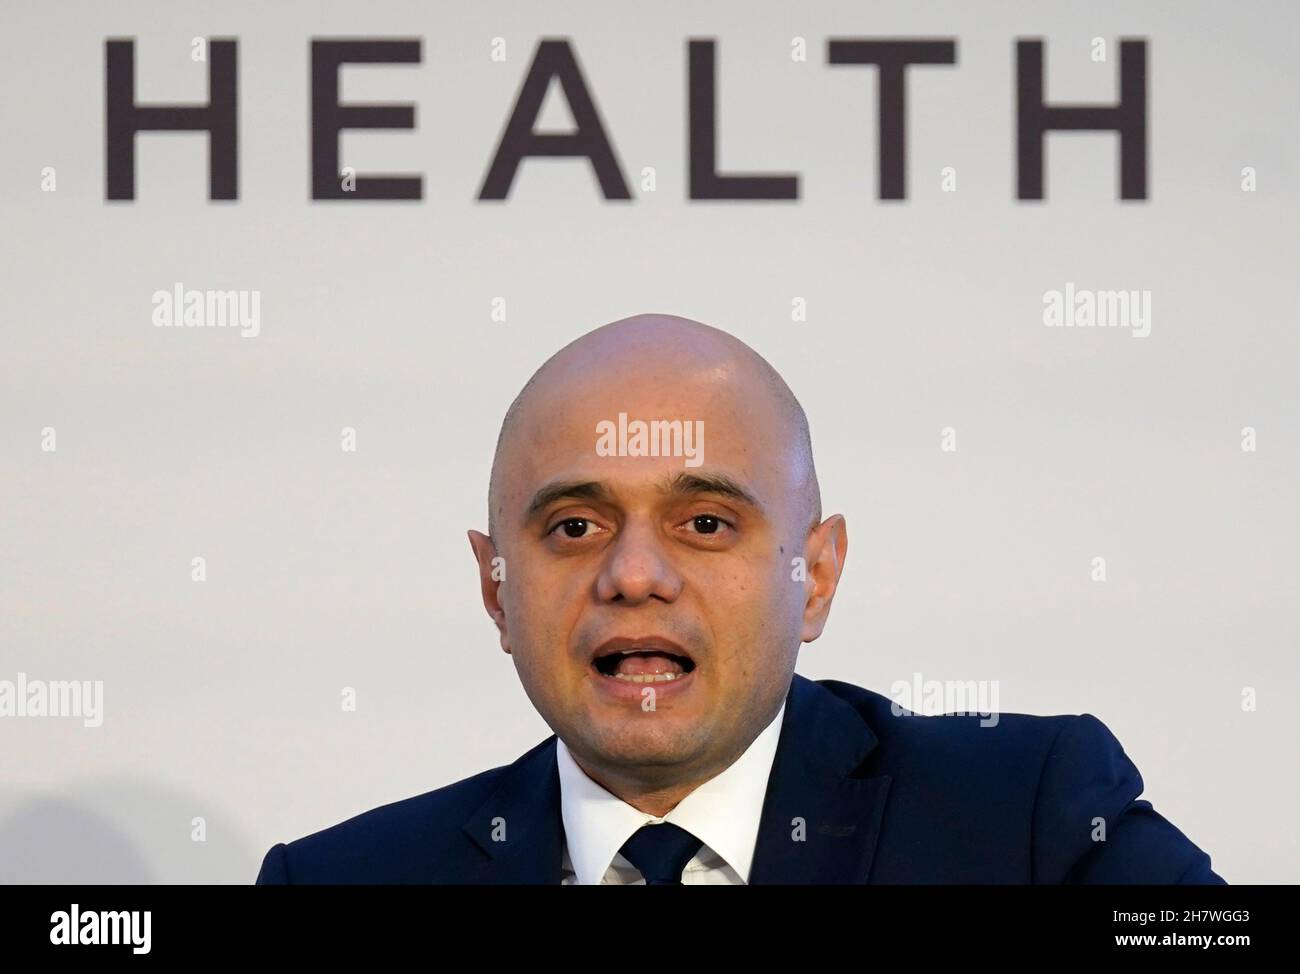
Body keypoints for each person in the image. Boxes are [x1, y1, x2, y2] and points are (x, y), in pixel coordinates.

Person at [255, 313, 1224, 884]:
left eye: (706, 522)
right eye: (574, 526)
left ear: (818, 575)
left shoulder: (1028, 820)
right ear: (493, 586)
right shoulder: (342, 881)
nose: (634, 573)